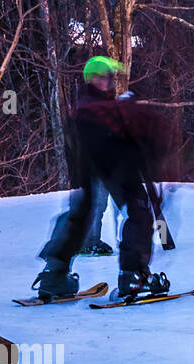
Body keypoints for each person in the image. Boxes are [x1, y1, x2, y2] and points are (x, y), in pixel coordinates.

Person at [31, 56, 175, 301]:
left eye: (108, 77)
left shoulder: (84, 106)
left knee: (80, 216)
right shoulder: (98, 107)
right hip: (114, 167)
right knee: (138, 212)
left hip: (91, 169)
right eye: (102, 76)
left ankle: (54, 274)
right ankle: (133, 276)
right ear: (92, 78)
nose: (106, 81)